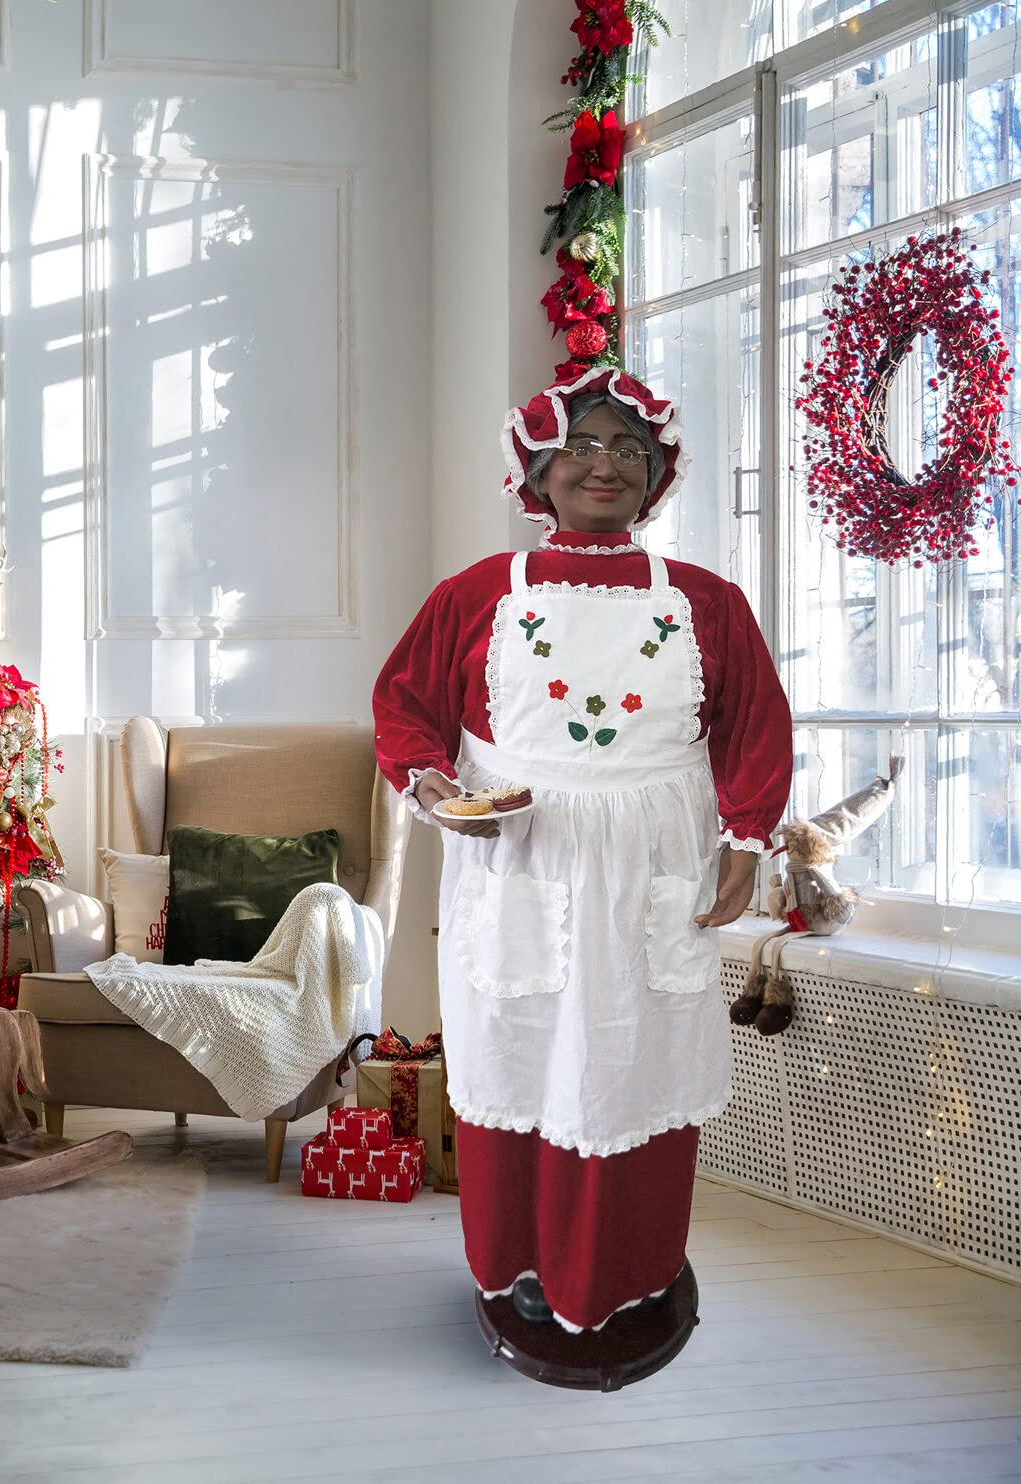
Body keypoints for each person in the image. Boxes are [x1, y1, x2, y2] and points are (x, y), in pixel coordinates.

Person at [372, 365, 793, 1338]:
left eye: (631, 451)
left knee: (635, 1069)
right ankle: (516, 1267)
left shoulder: (707, 601)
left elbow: (753, 725)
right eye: (586, 446)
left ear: (658, 474)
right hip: (519, 860)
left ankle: (629, 1271)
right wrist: (433, 785)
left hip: (657, 863)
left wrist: (747, 836)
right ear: (540, 469)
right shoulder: (478, 593)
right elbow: (405, 707)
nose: (608, 465)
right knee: (519, 1062)